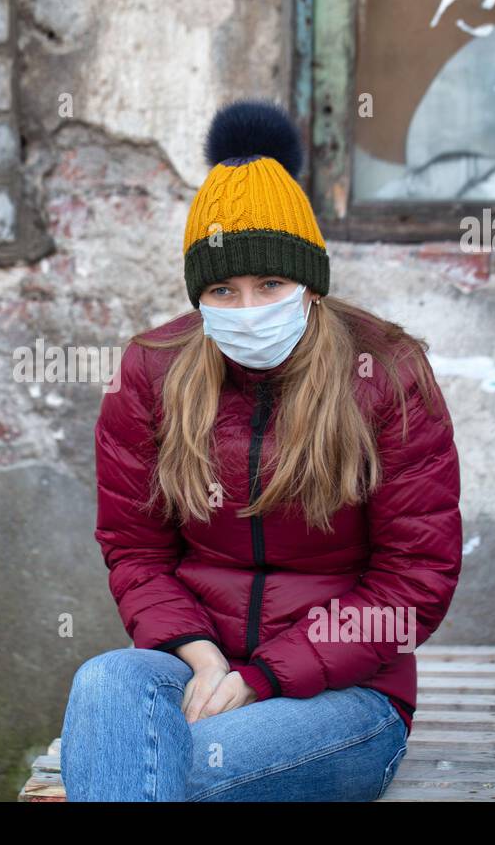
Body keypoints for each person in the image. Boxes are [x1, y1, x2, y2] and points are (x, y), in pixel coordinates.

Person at [59, 99, 463, 801]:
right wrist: (204, 656)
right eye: (224, 289)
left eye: (270, 285)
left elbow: (414, 580)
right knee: (105, 684)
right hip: (198, 670)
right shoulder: (150, 371)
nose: (247, 310)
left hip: (346, 696)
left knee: (156, 767)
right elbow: (136, 552)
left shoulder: (387, 375)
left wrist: (265, 676)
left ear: (308, 284)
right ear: (199, 294)